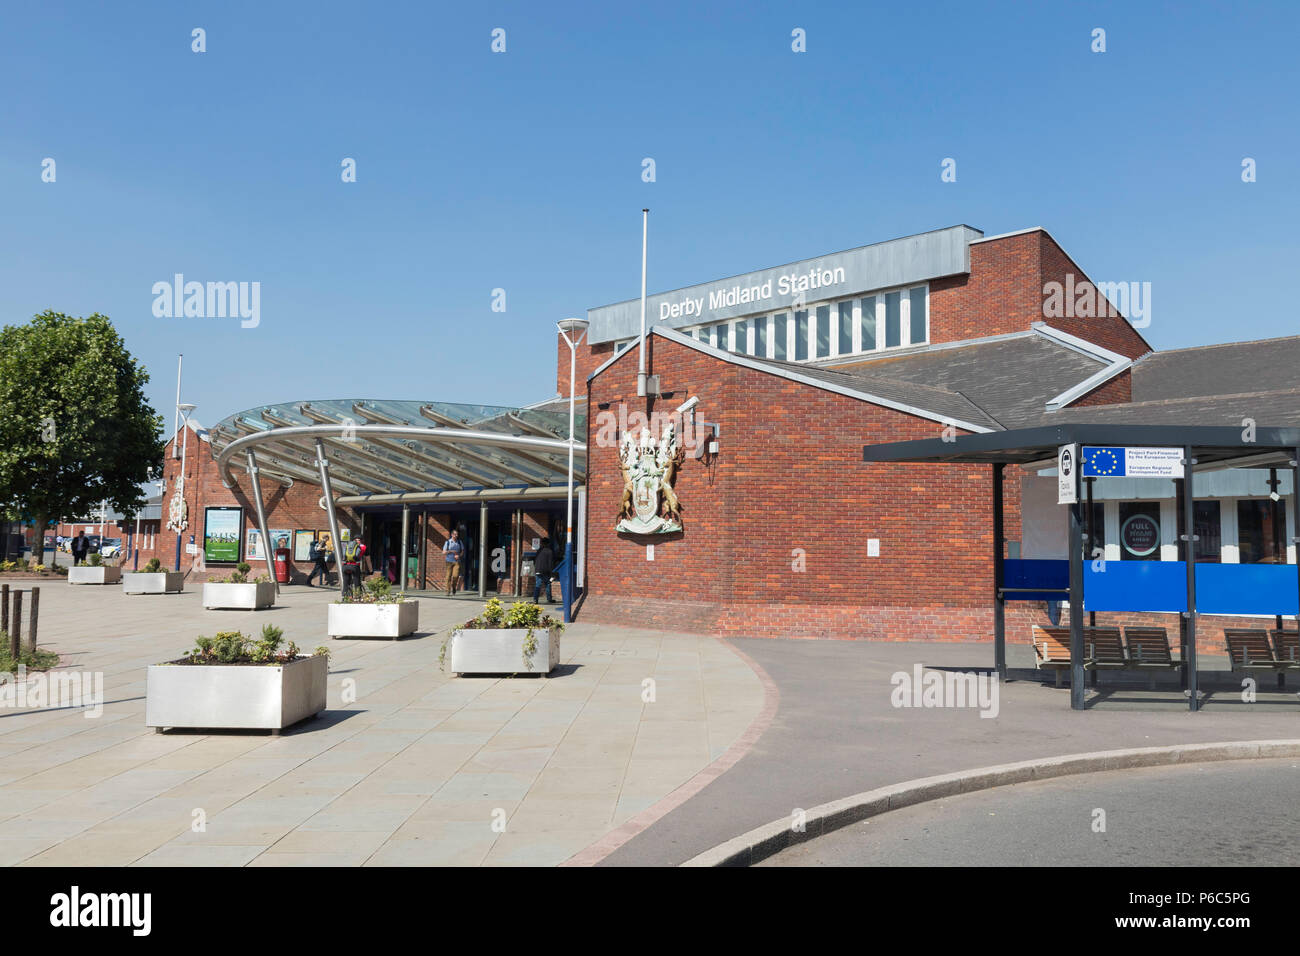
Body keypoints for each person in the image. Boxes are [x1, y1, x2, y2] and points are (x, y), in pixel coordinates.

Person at [532, 537, 555, 604]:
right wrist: (552, 573)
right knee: (548, 584)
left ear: (542, 543)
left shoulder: (539, 550)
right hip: (545, 571)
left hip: (537, 570)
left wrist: (536, 568)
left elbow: (535, 560)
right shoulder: (549, 551)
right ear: (548, 543)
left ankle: (535, 599)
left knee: (537, 585)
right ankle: (549, 599)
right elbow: (550, 563)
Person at [442, 529, 463, 595]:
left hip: (457, 562)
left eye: (457, 534)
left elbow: (462, 551)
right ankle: (447, 591)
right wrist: (451, 551)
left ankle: (454, 587)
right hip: (449, 561)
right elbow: (444, 552)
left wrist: (459, 555)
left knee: (455, 576)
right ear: (452, 535)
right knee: (448, 576)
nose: (456, 535)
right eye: (455, 534)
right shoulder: (448, 542)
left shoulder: (459, 542)